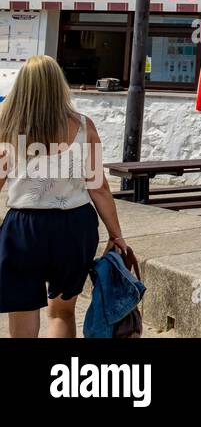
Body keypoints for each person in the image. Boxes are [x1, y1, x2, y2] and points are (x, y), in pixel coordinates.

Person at [0, 55, 130, 337]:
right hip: (73, 226)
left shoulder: (6, 126)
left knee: (22, 309)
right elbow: (98, 187)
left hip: (23, 227)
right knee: (61, 311)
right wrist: (115, 234)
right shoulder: (84, 126)